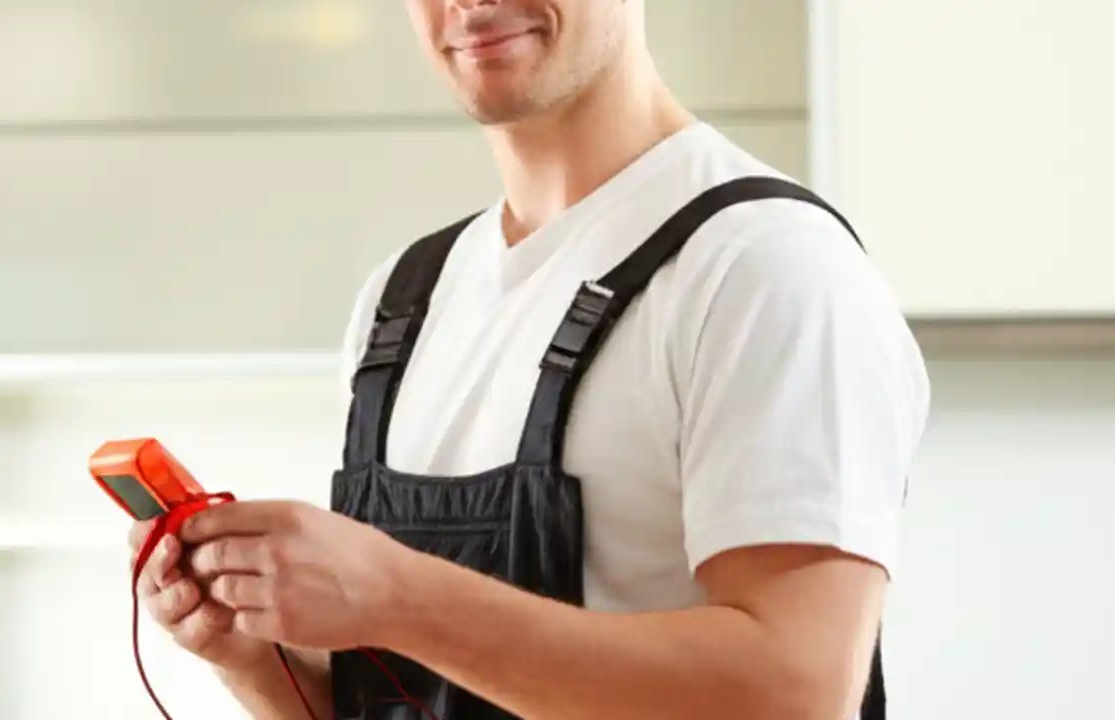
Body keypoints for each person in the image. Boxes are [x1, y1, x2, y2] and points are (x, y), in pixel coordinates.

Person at [130, 1, 930, 718]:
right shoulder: (401, 302)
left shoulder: (763, 268)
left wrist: (399, 597)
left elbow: (796, 694)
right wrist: (255, 661)